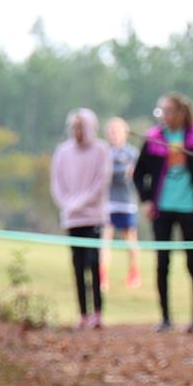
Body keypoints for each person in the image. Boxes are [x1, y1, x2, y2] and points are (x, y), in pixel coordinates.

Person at [132, 92, 193, 332]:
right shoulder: (154, 138)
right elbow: (139, 173)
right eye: (161, 111)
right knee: (163, 262)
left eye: (168, 111)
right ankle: (165, 318)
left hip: (189, 208)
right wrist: (146, 200)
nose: (164, 115)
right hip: (161, 208)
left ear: (181, 113)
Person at [51, 108, 113, 329]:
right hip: (72, 219)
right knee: (77, 265)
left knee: (93, 263)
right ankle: (83, 313)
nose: (77, 131)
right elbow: (57, 183)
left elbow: (101, 181)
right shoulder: (63, 152)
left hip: (93, 216)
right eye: (74, 127)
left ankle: (98, 312)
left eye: (81, 127)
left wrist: (81, 202)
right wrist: (69, 204)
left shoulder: (101, 149)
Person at [103, 117, 142, 288]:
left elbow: (136, 173)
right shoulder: (104, 152)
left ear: (125, 133)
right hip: (108, 202)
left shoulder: (132, 153)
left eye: (116, 131)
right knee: (105, 239)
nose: (113, 135)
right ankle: (102, 276)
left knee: (130, 240)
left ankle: (134, 274)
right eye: (111, 131)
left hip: (127, 202)